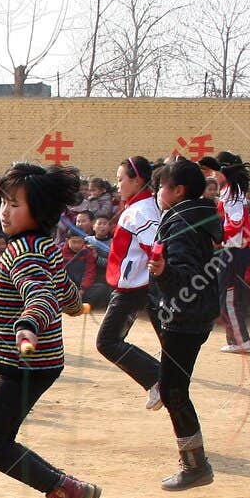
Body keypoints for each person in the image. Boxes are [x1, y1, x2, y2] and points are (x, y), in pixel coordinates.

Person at [0, 163, 100, 498]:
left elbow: (40, 294)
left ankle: (67, 491)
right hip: (36, 362)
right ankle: (66, 491)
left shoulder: (23, 252)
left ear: (39, 212)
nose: (4, 212)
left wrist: (28, 324)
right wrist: (74, 306)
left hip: (25, 362)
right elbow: (61, 287)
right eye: (4, 202)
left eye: (15, 205)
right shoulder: (44, 246)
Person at [149, 157, 224, 490]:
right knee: (173, 387)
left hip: (185, 315)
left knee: (173, 390)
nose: (158, 192)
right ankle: (194, 464)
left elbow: (186, 276)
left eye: (161, 186)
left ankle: (195, 466)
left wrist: (163, 271)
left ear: (178, 190)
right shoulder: (194, 217)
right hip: (194, 312)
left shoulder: (181, 223)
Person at [96, 156, 163, 407]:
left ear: (137, 181)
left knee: (107, 342)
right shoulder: (143, 207)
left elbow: (155, 248)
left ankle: (158, 378)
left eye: (121, 179)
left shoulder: (139, 211)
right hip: (138, 285)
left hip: (134, 287)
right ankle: (164, 380)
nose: (118, 185)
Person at [212, 152, 250, 351]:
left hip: (233, 250)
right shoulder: (231, 191)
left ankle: (240, 340)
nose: (214, 174)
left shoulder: (231, 192)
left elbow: (236, 223)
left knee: (228, 297)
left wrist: (219, 237)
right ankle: (238, 339)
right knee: (228, 296)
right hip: (235, 249)